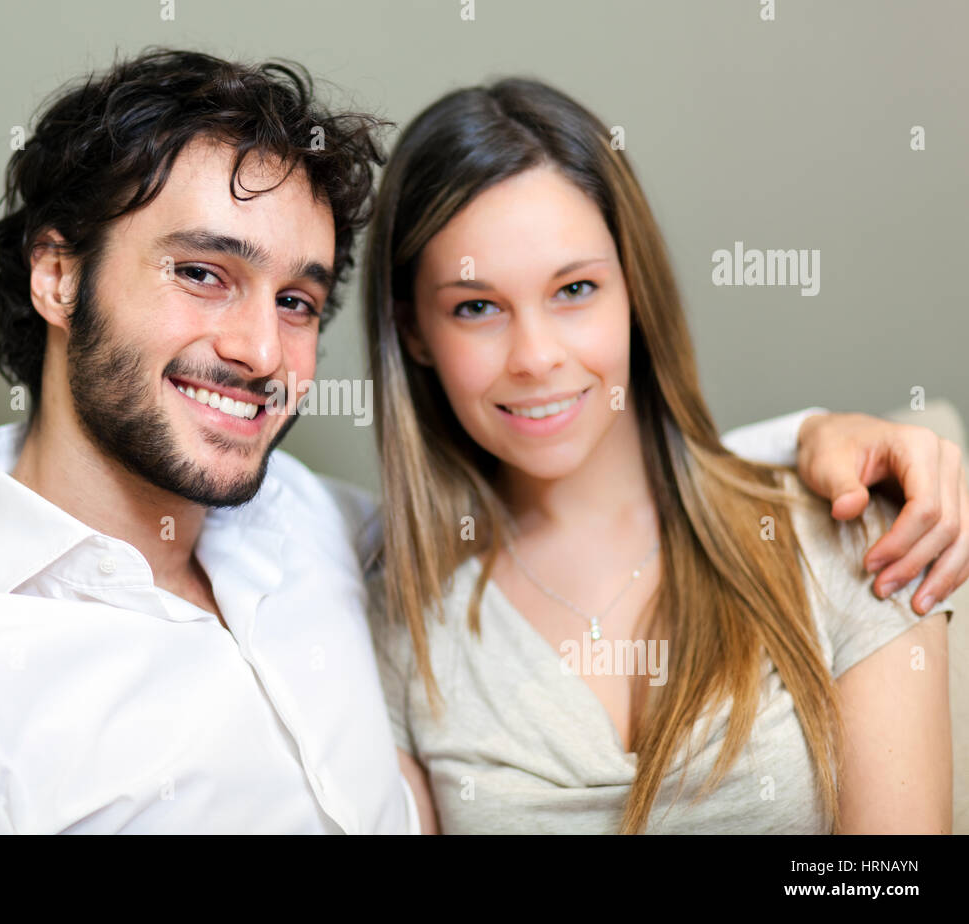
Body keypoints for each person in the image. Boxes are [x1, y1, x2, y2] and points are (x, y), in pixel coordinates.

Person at [0, 49, 965, 834]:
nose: (255, 346)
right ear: (57, 276)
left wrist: (840, 439)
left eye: (295, 299)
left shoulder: (317, 533)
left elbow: (588, 478)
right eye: (201, 273)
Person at [363, 76, 958, 834]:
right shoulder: (396, 619)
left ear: (635, 292)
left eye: (574, 288)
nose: (537, 357)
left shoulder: (845, 531)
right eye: (476, 307)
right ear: (414, 333)